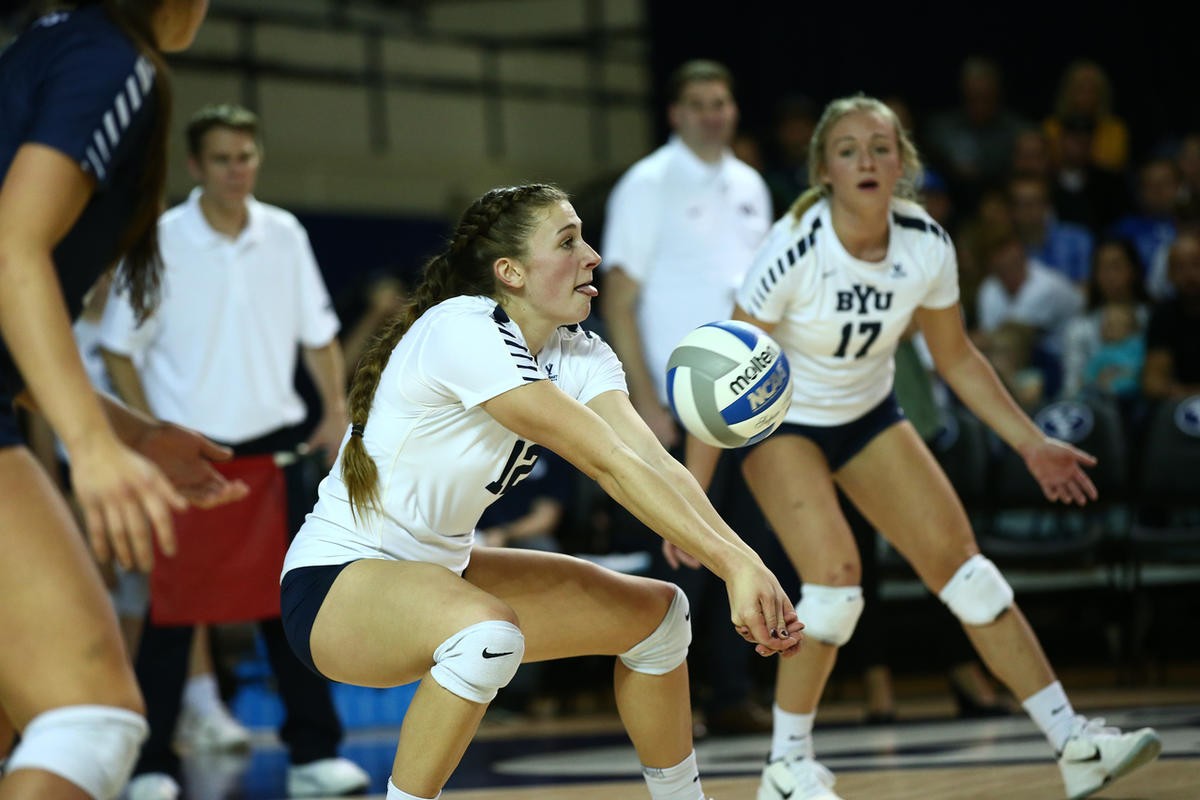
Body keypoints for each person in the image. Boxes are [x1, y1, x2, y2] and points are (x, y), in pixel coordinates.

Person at [672, 94, 1161, 800]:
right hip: (784, 425)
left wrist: (1031, 443)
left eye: (880, 147)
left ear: (902, 162)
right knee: (835, 587)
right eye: (848, 150)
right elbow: (722, 375)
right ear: (825, 170)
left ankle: (1074, 743)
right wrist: (690, 506)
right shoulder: (792, 249)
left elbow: (956, 357)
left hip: (869, 413)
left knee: (970, 574)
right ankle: (786, 766)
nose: (866, 160)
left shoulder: (926, 243)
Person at [280, 183, 803, 800]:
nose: (592, 256)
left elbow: (650, 461)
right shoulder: (462, 328)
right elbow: (606, 462)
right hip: (336, 586)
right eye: (567, 242)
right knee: (486, 635)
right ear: (511, 272)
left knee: (661, 619)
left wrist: (743, 562)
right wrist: (732, 565)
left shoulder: (579, 351)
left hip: (442, 574)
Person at [0, 2, 254, 798]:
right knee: (91, 719)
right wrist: (92, 448)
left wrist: (129, 433)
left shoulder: (38, 51)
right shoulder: (112, 59)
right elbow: (11, 249)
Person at [98, 103, 367, 799]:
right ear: (195, 165)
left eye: (246, 156)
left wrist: (335, 410)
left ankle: (314, 754)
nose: (236, 170)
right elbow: (118, 349)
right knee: (170, 615)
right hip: (191, 454)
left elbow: (319, 334)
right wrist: (150, 433)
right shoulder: (160, 239)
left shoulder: (285, 233)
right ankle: (151, 765)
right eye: (221, 159)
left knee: (293, 607)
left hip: (276, 453)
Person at [600, 58, 780, 736]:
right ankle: (664, 699)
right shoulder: (647, 183)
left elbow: (761, 295)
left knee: (744, 543)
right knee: (680, 553)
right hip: (676, 400)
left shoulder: (751, 184)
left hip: (746, 398)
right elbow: (619, 300)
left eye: (721, 102)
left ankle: (732, 692)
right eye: (699, 103)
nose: (712, 114)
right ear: (675, 114)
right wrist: (644, 400)